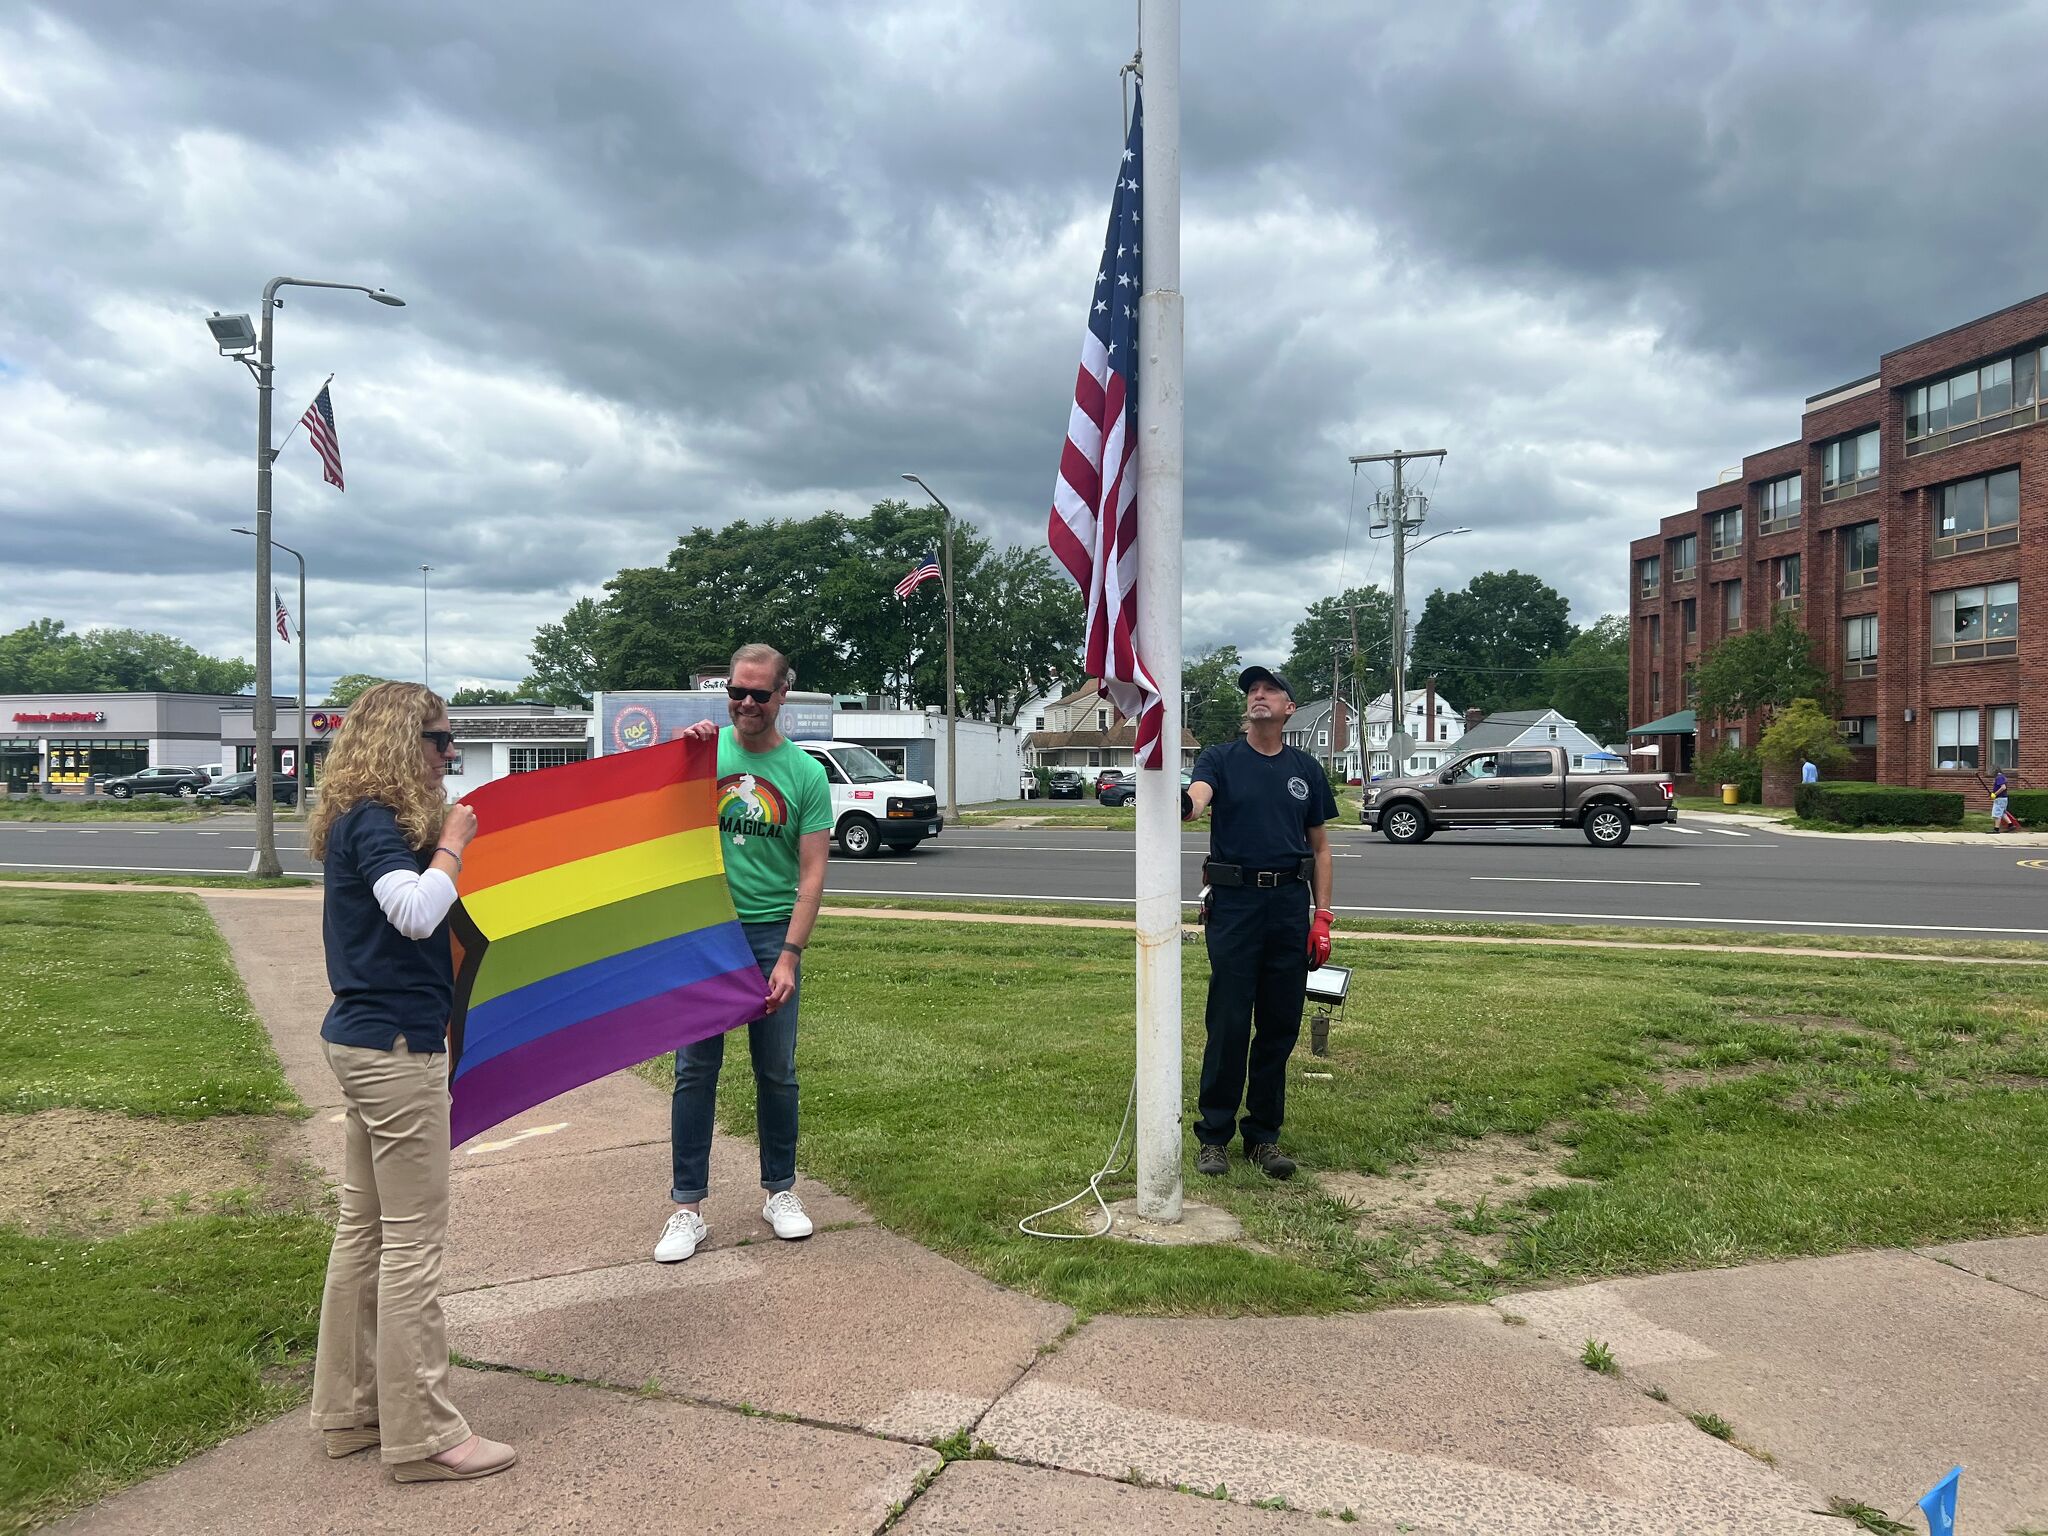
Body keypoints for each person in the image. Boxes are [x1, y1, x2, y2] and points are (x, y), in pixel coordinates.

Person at [305, 682, 515, 1483]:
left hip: (359, 1043)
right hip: (397, 1053)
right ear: (403, 742)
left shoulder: (359, 818)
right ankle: (425, 1436)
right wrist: (454, 843)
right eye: (439, 740)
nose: (448, 754)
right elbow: (417, 911)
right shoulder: (381, 823)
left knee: (362, 1235)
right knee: (412, 1245)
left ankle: (352, 1410)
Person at [656, 643, 833, 1262]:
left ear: (783, 694)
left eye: (760, 693)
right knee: (694, 1072)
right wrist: (677, 757)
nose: (747, 704)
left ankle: (780, 1191)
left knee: (776, 1071)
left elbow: (811, 877)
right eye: (737, 692)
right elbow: (653, 822)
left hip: (767, 935)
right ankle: (686, 1208)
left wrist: (788, 955)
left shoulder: (806, 775)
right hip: (704, 935)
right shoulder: (701, 755)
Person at [1181, 665, 1338, 1180]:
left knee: (1279, 1025)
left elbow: (1320, 847)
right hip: (1235, 907)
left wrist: (1323, 917)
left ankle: (1264, 1136)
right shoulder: (1220, 759)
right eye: (1252, 691)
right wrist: (1187, 802)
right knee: (1227, 1023)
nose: (1259, 696)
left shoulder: (1306, 769)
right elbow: (1199, 797)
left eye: (1270, 690)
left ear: (1289, 708)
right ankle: (1214, 1137)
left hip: (1289, 907)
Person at [1992, 767, 2016, 832]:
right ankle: (2011, 825)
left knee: (1997, 813)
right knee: (2002, 813)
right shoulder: (2002, 777)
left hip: (2000, 798)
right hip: (2003, 798)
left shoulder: (1999, 777)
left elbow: (2003, 787)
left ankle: (1996, 829)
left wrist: (1995, 794)